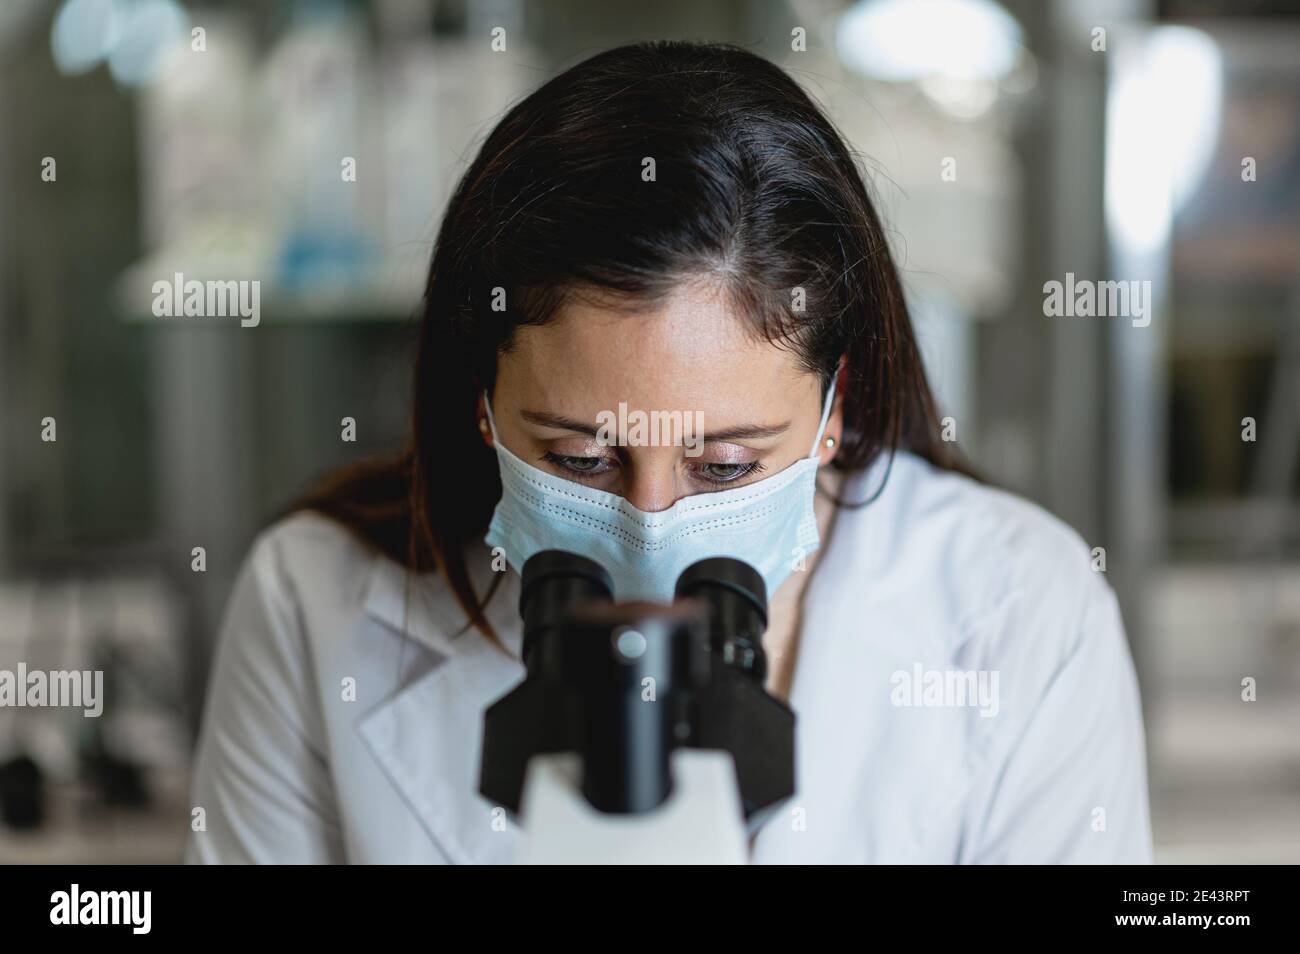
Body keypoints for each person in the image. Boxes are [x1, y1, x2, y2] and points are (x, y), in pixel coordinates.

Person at [185, 41, 1151, 863]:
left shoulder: (1022, 613)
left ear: (835, 409)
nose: (652, 532)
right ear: (481, 400)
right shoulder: (310, 603)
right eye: (580, 461)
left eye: (725, 467)